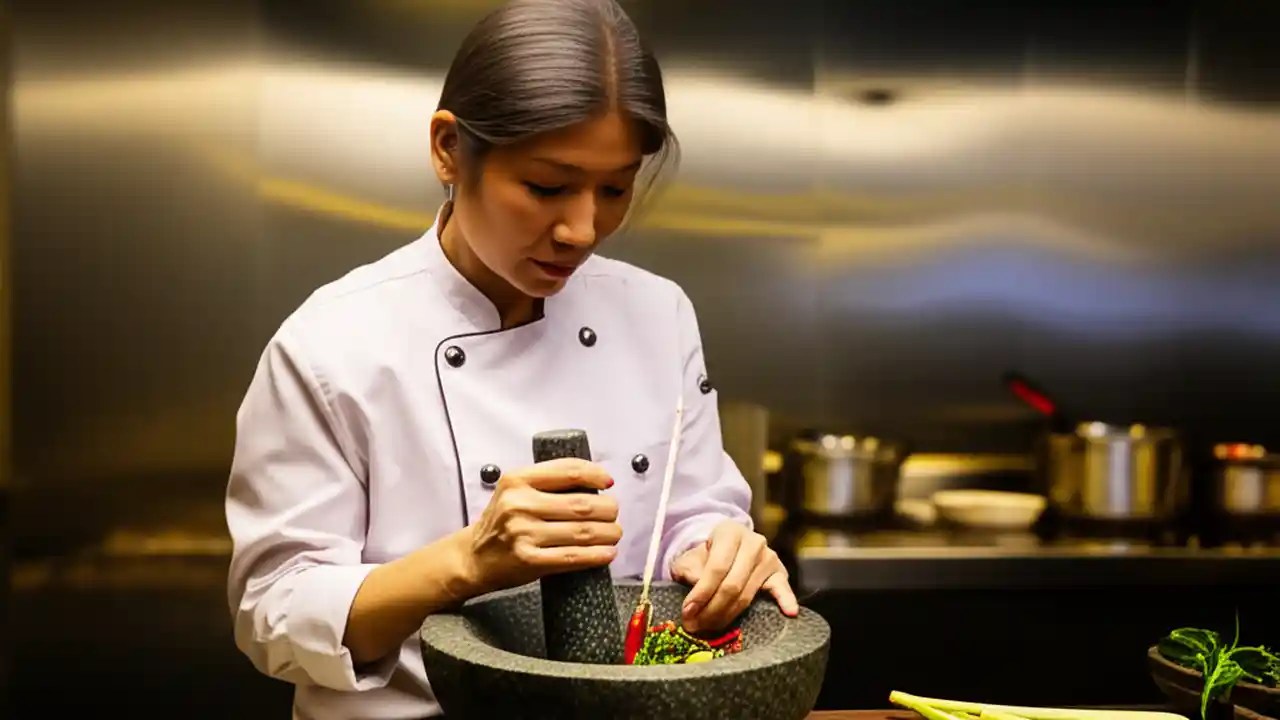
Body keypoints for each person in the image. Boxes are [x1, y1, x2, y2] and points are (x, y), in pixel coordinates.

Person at [224, 0, 798, 717]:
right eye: (547, 187)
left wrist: (717, 547)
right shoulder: (332, 345)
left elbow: (692, 509)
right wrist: (467, 561)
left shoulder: (658, 314)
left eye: (615, 188)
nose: (583, 229)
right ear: (447, 149)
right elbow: (273, 613)